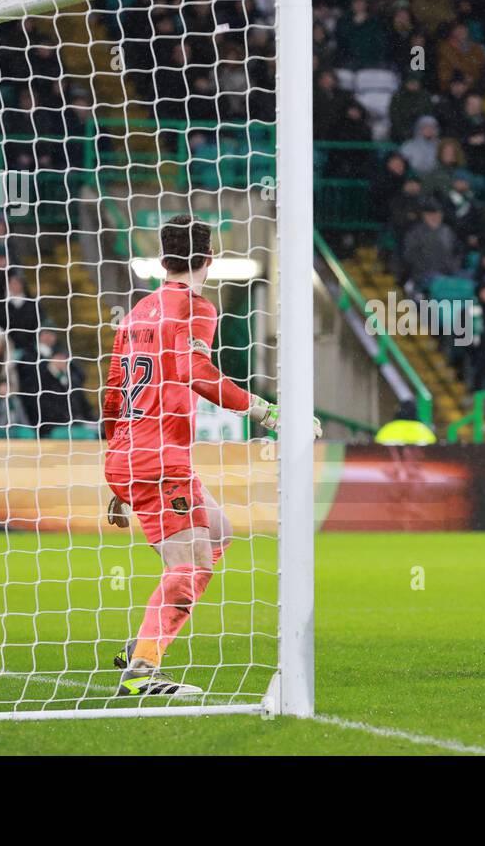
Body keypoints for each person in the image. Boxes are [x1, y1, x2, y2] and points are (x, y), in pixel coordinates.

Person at [102, 215, 321, 696]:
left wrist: (116, 480)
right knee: (191, 565)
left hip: (132, 453)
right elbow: (196, 371)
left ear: (162, 262)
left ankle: (147, 638)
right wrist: (266, 411)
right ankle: (141, 671)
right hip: (160, 458)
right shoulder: (196, 307)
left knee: (220, 533)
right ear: (209, 260)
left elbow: (115, 393)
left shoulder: (137, 312)